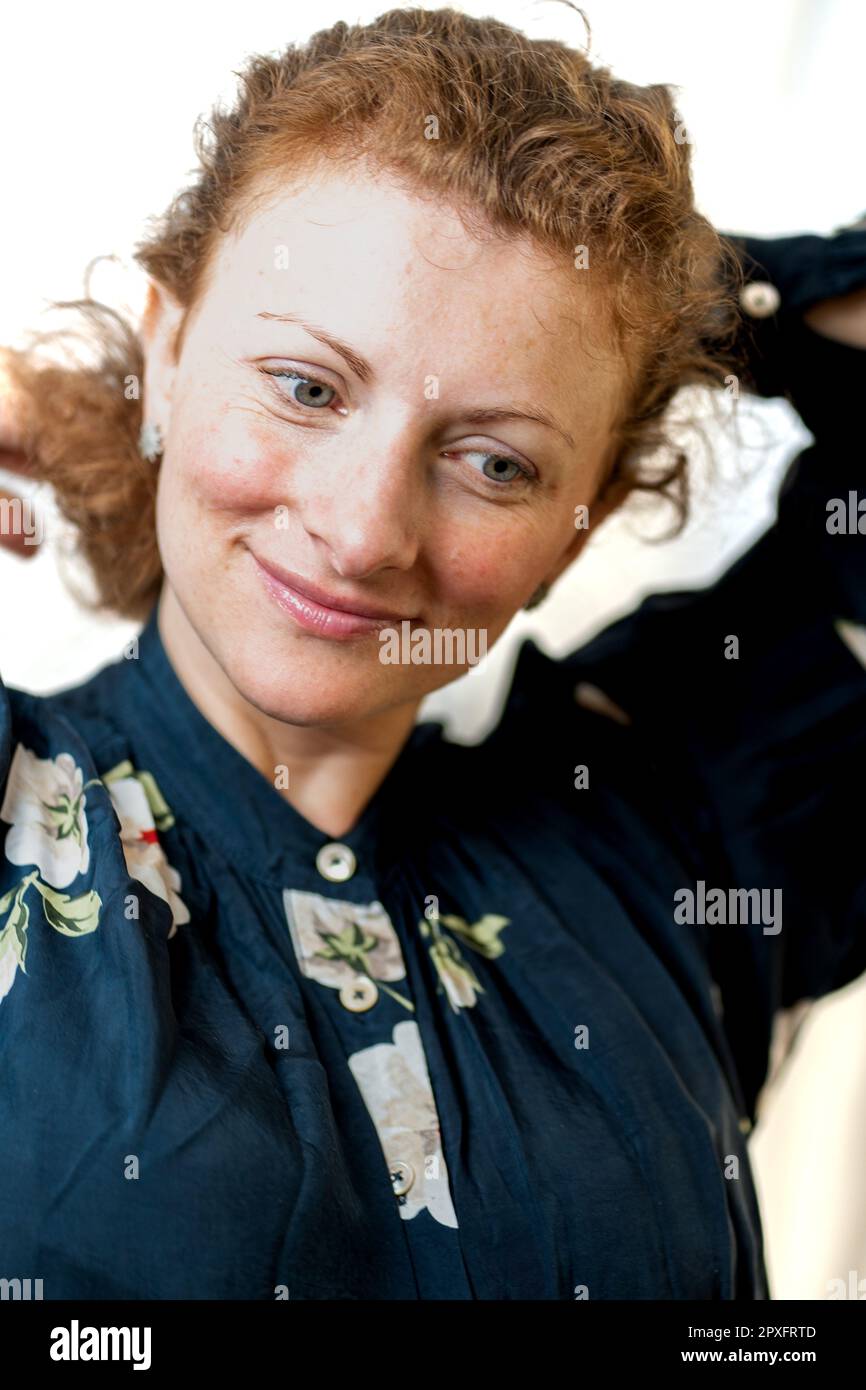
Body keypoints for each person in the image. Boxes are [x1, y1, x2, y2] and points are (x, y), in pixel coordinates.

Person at [0, 7, 864, 1300]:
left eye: (494, 461)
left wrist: (655, 291)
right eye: (304, 386)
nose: (359, 532)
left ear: (575, 533)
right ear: (167, 354)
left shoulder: (665, 822)